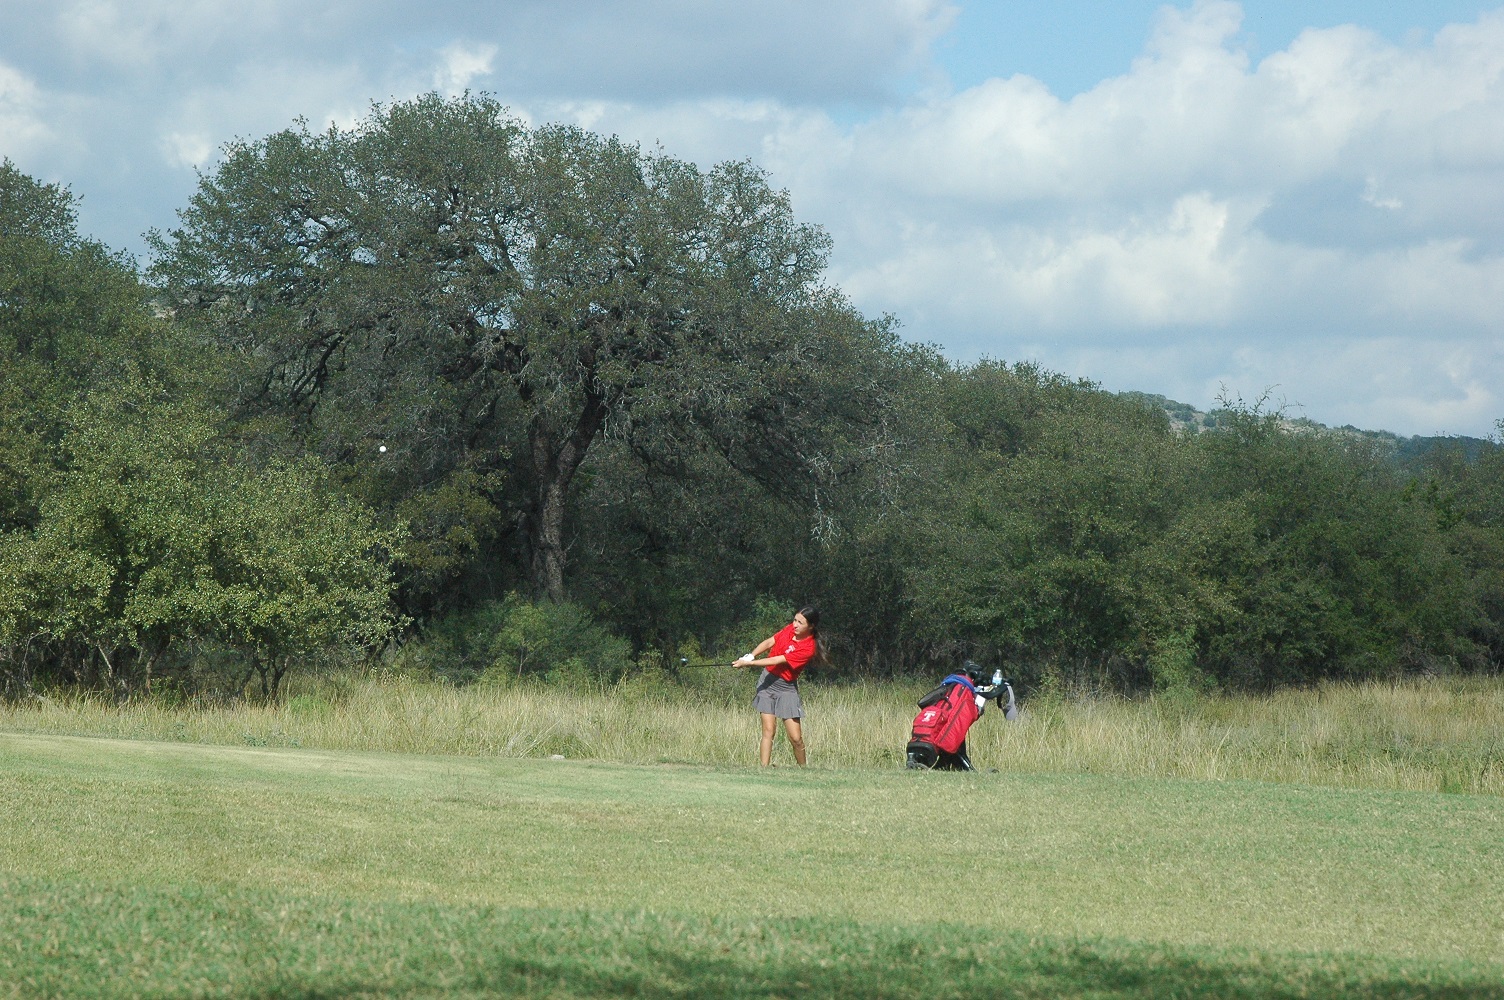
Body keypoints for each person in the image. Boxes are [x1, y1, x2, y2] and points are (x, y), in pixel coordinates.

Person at [735, 606, 821, 767]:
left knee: (796, 738)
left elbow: (776, 660)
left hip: (786, 688)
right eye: (795, 620)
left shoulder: (808, 648)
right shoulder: (790, 629)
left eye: (800, 623)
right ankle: (764, 770)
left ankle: (804, 770)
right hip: (767, 682)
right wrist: (750, 656)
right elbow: (770, 641)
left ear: (811, 626)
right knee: (769, 730)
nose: (795, 625)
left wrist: (749, 664)